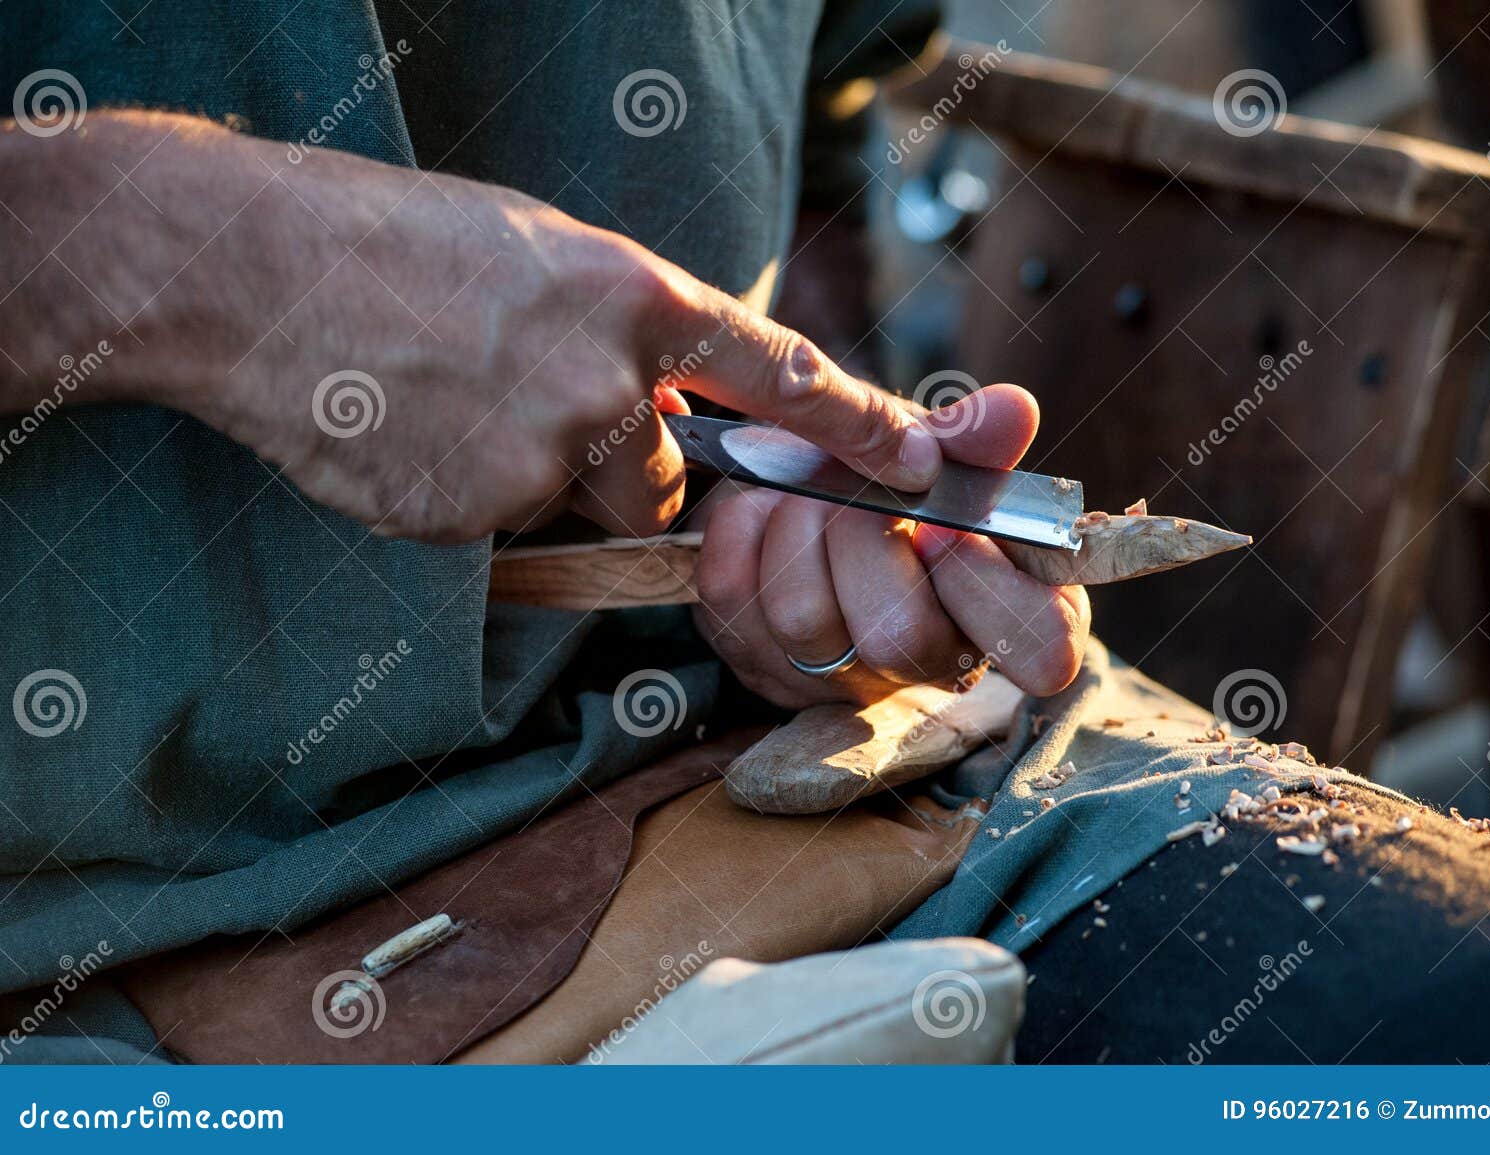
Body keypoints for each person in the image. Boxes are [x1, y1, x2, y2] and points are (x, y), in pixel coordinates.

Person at [0, 1, 1087, 1055]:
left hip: (700, 760)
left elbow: (815, 115)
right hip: (100, 940)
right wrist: (213, 253)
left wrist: (814, 498)